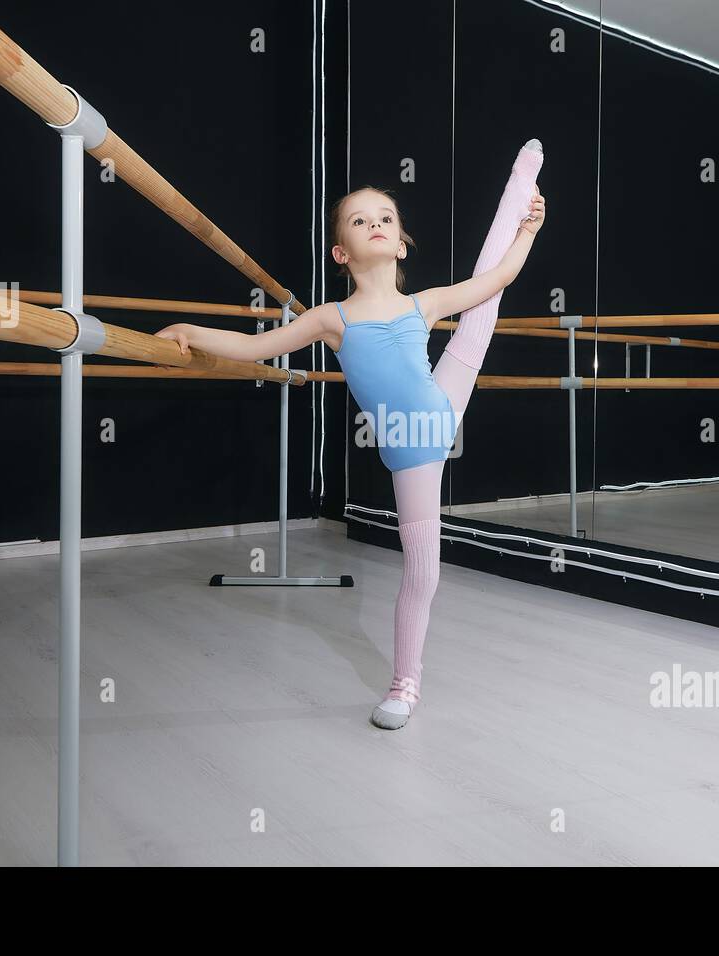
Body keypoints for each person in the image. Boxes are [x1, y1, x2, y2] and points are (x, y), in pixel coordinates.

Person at [157, 140, 545, 728]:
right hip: (412, 448)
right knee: (424, 568)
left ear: (400, 239)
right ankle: (404, 683)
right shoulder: (329, 319)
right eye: (361, 220)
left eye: (386, 217)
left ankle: (519, 186)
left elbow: (501, 277)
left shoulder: (423, 304)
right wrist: (190, 330)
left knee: (483, 303)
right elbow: (256, 348)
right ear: (342, 251)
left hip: (442, 405)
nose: (377, 224)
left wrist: (530, 228)